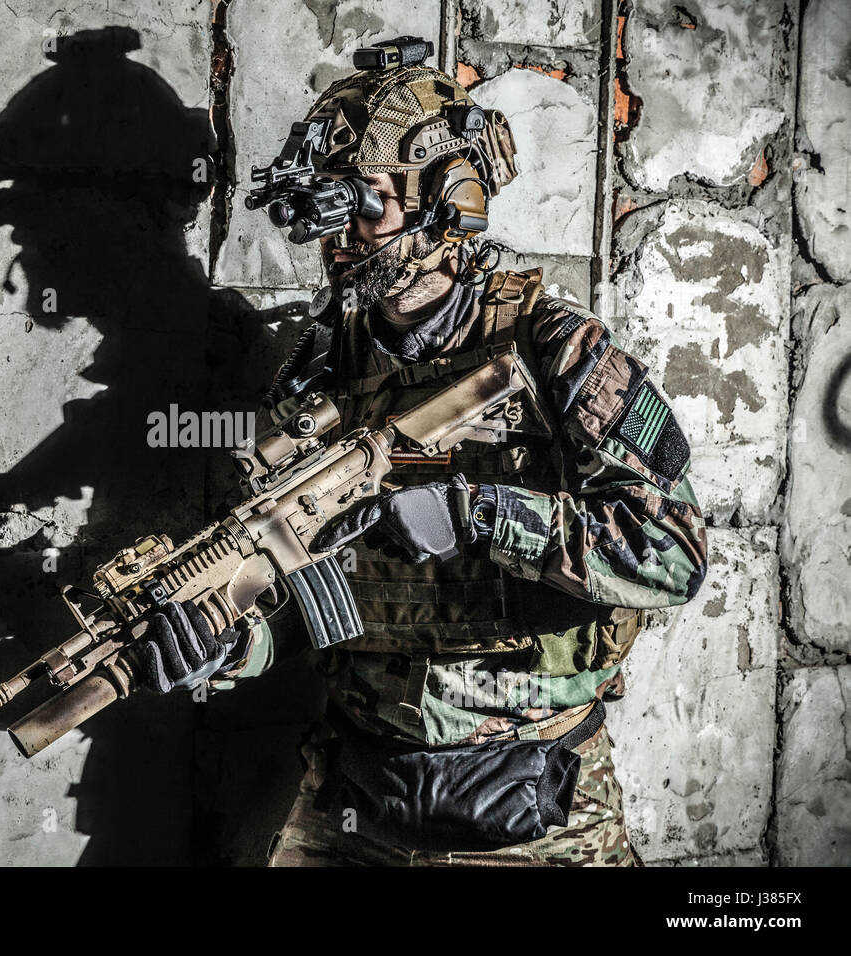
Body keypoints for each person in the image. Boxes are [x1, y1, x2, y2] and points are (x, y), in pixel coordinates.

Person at [132, 38, 709, 866]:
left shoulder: (555, 349)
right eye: (324, 210)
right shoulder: (326, 367)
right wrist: (230, 642)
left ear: (447, 200)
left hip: (534, 804)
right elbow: (303, 584)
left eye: (363, 206)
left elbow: (672, 553)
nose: (339, 239)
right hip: (359, 792)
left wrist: (482, 515)